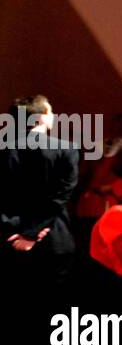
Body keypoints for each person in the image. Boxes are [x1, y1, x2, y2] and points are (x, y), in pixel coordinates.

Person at [1, 96, 80, 285]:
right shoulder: (66, 150)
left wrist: (13, 229)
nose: (53, 115)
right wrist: (31, 232)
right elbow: (60, 197)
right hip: (54, 241)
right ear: (41, 118)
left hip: (7, 238)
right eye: (50, 111)